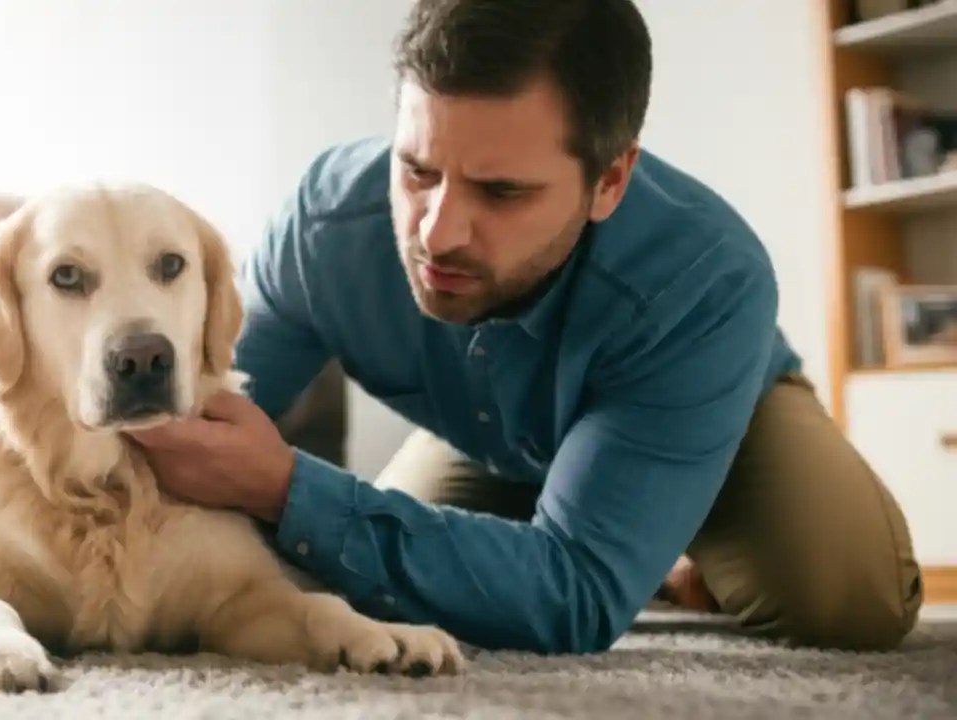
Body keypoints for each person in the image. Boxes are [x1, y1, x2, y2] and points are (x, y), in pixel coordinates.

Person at [129, 0, 923, 654]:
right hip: (487, 429)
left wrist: (284, 484)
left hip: (693, 400)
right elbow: (198, 411)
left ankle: (650, 532)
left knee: (846, 598)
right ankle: (636, 548)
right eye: (417, 170)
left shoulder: (707, 279)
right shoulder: (327, 225)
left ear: (609, 180)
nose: (437, 233)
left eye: (500, 192)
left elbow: (571, 600)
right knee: (377, 583)